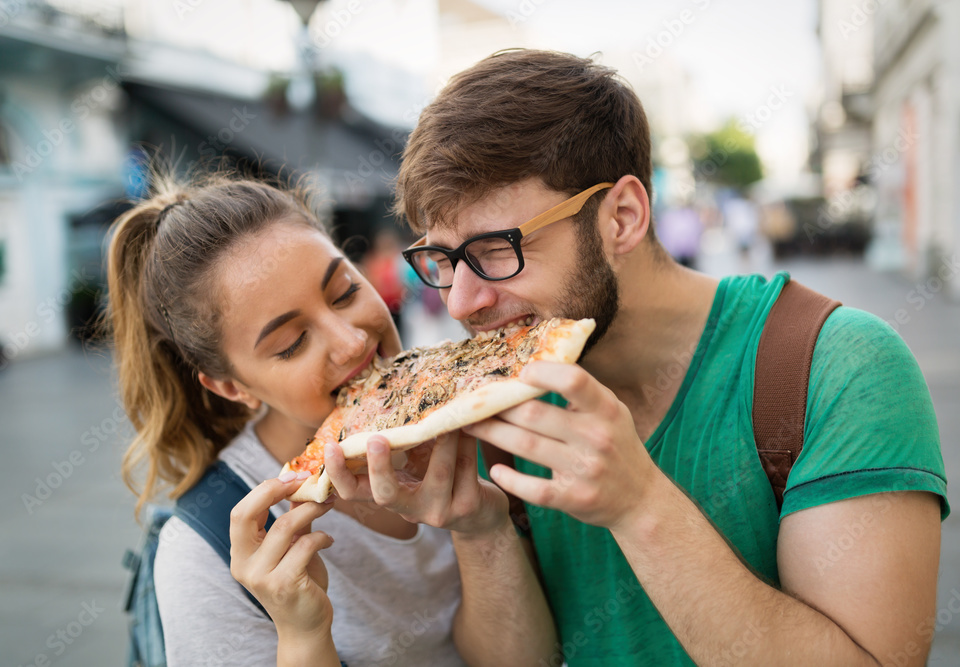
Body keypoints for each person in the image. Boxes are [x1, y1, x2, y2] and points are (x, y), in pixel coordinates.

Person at [325, 50, 950, 666]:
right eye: (443, 260)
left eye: (495, 249)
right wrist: (481, 532)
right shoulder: (496, 410)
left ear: (621, 217)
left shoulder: (838, 366)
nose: (462, 302)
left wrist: (639, 504)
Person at [104, 170, 552, 665]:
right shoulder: (201, 557)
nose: (352, 340)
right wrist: (303, 635)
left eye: (343, 292)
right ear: (232, 386)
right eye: (291, 343)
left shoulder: (468, 409)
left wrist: (481, 528)